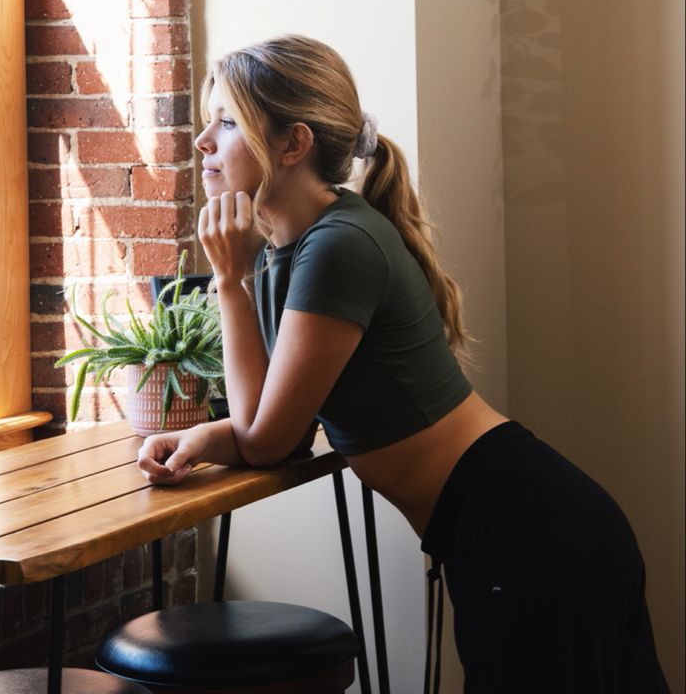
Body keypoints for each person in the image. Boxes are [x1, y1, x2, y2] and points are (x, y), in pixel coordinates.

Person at [138, 34, 668, 694]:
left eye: (225, 122)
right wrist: (201, 438)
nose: (201, 143)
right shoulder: (292, 252)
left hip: (526, 532)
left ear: (291, 144)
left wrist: (227, 283)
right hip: (514, 526)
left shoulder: (338, 246)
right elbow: (284, 425)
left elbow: (269, 439)